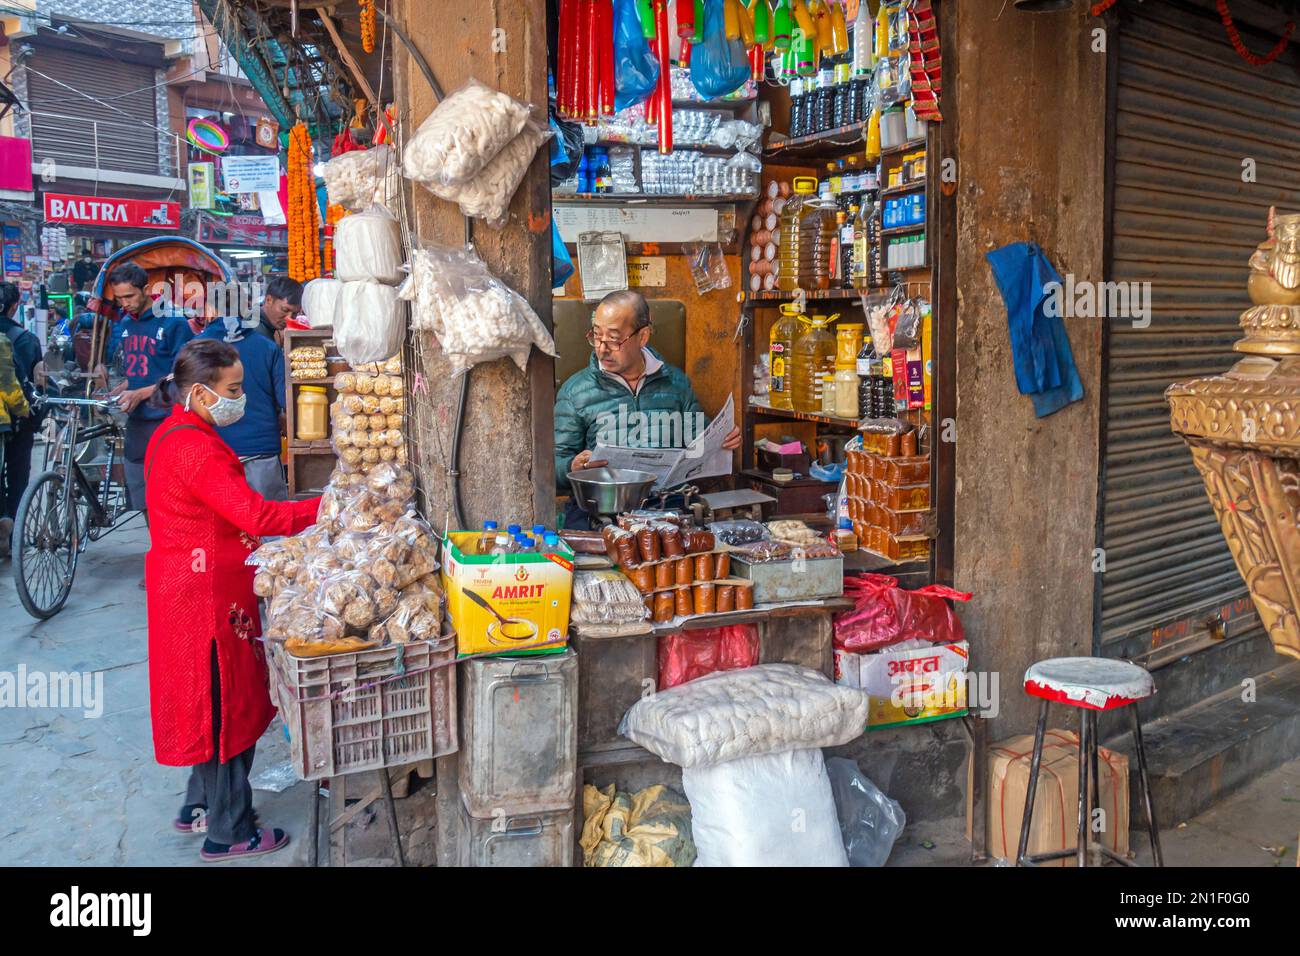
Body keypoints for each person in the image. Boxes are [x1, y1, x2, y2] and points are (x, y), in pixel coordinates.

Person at [143, 338, 320, 862]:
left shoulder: (175, 431)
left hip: (186, 583)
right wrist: (324, 507)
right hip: (204, 596)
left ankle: (197, 805)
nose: (240, 399)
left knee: (203, 702)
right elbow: (259, 517)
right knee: (222, 707)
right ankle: (229, 830)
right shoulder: (194, 448)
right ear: (200, 393)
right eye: (234, 390)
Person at [554, 290, 741, 530]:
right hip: (601, 513)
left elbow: (701, 442)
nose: (602, 348)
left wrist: (723, 440)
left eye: (613, 339)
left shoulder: (676, 384)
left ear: (642, 337)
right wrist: (573, 466)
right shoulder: (575, 392)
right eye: (596, 336)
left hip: (666, 511)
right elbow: (552, 465)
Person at [102, 262, 195, 570]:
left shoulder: (173, 323)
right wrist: (121, 388)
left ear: (145, 290)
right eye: (119, 298)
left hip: (166, 419)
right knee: (140, 492)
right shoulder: (125, 324)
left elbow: (180, 374)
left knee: (169, 494)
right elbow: (140, 371)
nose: (124, 303)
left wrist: (141, 393)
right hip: (138, 423)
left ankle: (177, 557)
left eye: (129, 296)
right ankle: (162, 552)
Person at [199, 315, 288, 499]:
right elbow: (285, 399)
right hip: (260, 449)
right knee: (269, 520)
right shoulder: (267, 347)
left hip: (212, 450)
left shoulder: (193, 349)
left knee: (223, 523)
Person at [0, 281, 42, 558]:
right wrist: (26, 411)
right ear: (15, 306)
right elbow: (22, 382)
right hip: (14, 418)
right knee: (17, 475)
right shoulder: (22, 339)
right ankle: (11, 531)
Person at [253, 276, 303, 346]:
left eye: (294, 314)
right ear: (268, 300)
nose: (289, 318)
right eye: (285, 310)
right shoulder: (254, 332)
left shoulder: (266, 326)